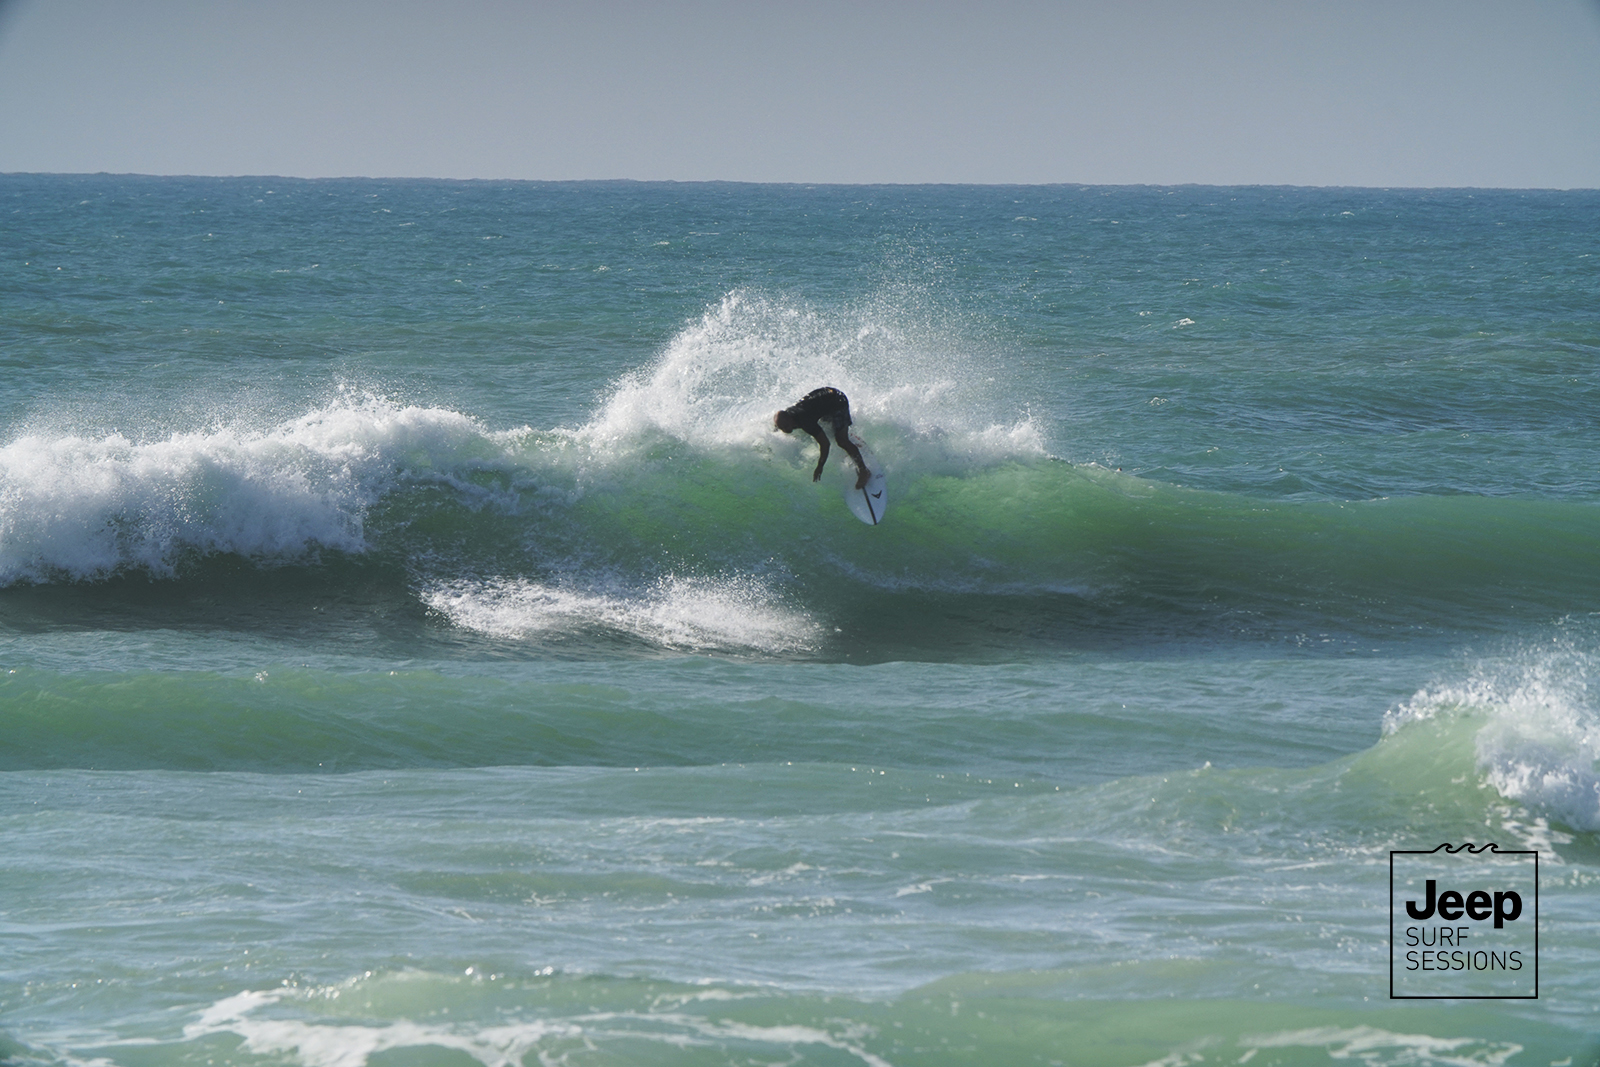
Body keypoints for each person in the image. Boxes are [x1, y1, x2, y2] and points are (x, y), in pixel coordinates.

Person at [774, 386, 871, 489]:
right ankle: (844, 428)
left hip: (837, 401)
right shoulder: (788, 416)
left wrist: (820, 466)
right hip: (826, 400)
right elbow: (780, 422)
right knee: (827, 426)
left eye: (785, 426)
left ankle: (864, 471)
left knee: (841, 441)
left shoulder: (805, 421)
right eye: (781, 428)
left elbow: (825, 444)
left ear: (790, 420)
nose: (784, 430)